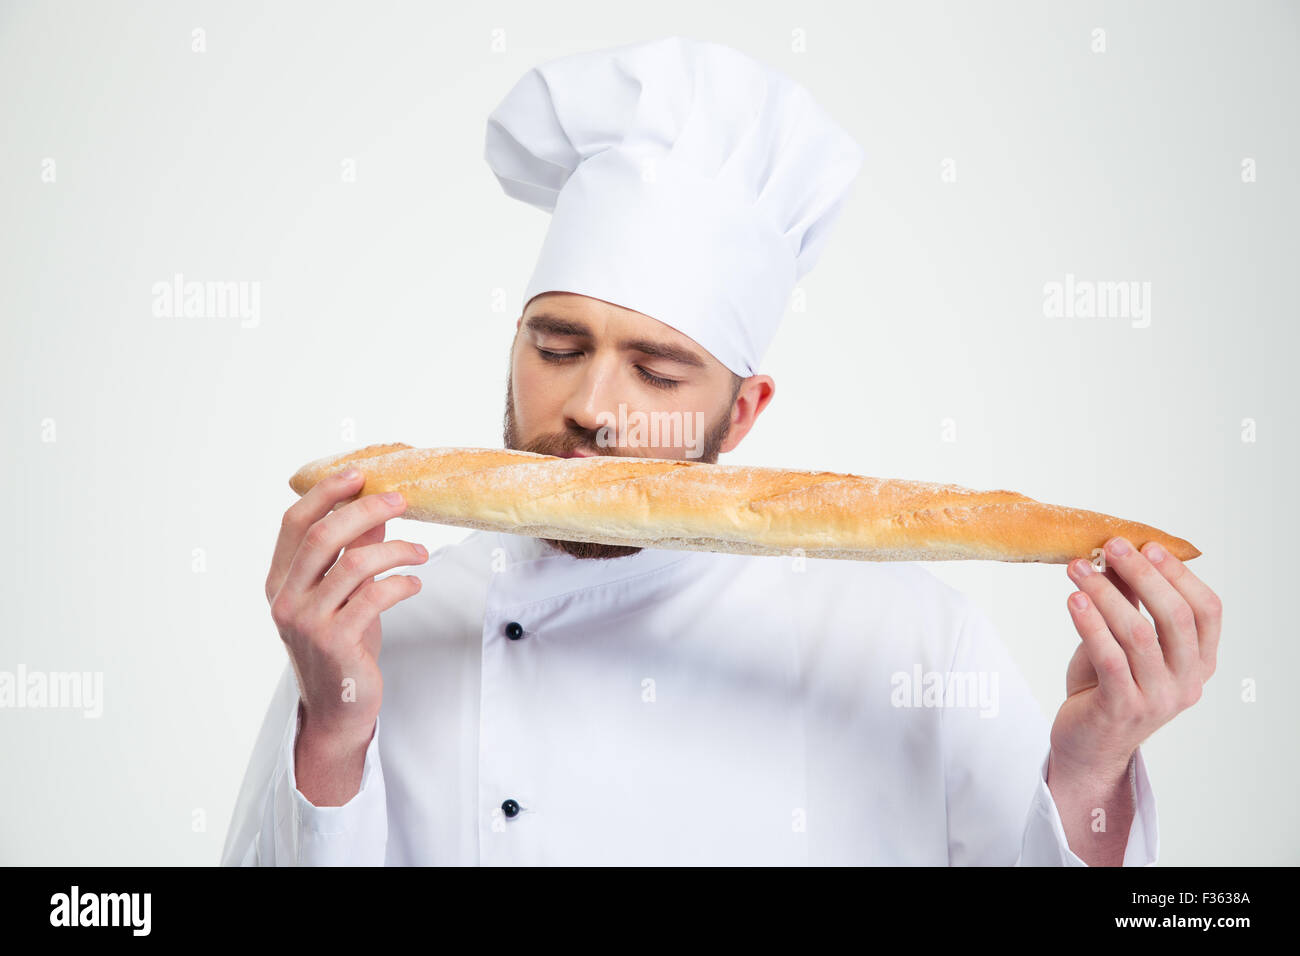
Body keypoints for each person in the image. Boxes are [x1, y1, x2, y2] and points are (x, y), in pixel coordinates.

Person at [221, 37, 1220, 866]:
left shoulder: (914, 639)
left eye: (656, 370)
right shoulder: (378, 624)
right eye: (556, 347)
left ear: (744, 412)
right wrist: (333, 733)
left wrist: (1091, 770)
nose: (594, 409)